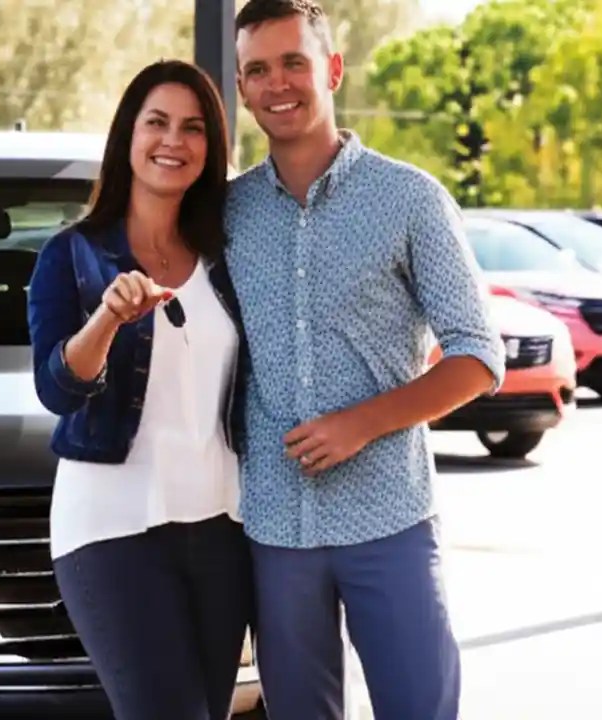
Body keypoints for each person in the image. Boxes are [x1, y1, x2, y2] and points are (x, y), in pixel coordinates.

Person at [224, 1, 507, 719]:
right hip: (275, 527)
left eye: (294, 62)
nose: (277, 82)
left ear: (333, 69)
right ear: (241, 86)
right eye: (258, 69)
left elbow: (477, 355)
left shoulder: (411, 199)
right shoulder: (225, 215)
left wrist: (361, 423)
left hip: (391, 521)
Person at [26, 59, 253, 720]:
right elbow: (57, 389)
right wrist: (107, 317)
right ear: (128, 135)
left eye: (193, 128)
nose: (172, 141)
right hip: (110, 526)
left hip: (220, 528)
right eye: (156, 122)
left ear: (211, 148)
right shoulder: (69, 257)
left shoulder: (226, 257)